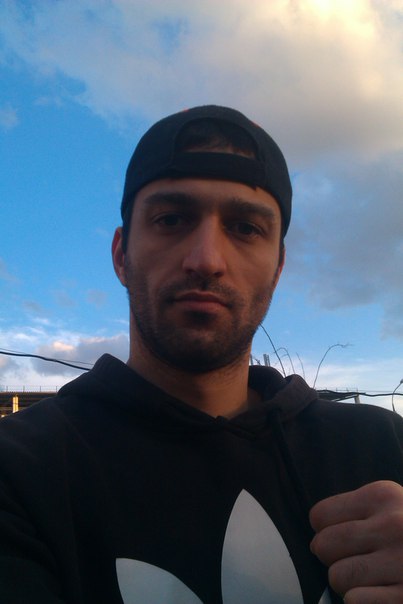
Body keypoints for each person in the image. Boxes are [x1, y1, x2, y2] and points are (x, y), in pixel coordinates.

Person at [0, 105, 402, 604]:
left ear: (278, 268)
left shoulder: (383, 448)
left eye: (246, 228)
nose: (206, 260)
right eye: (171, 219)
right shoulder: (20, 471)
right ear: (121, 255)